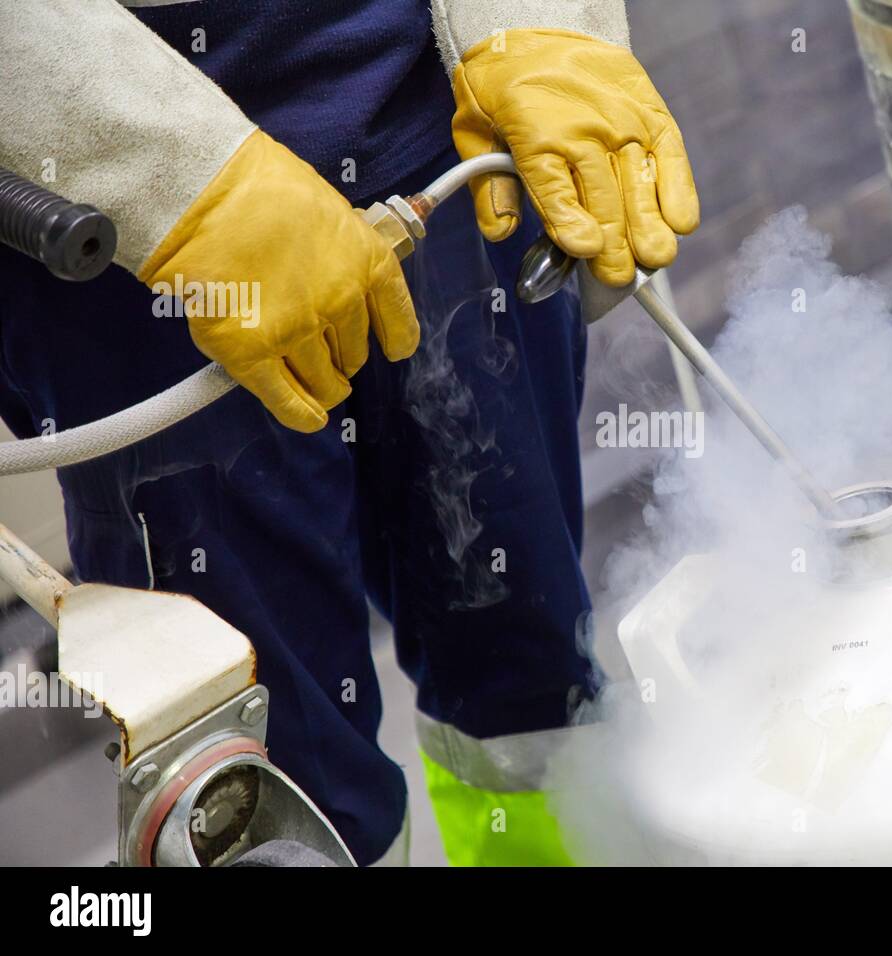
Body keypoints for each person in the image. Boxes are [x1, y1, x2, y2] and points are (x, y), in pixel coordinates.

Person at [0, 0, 697, 866]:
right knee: (269, 780)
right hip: (128, 240)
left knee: (533, 679)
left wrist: (534, 23)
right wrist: (168, 174)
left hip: (445, 136)